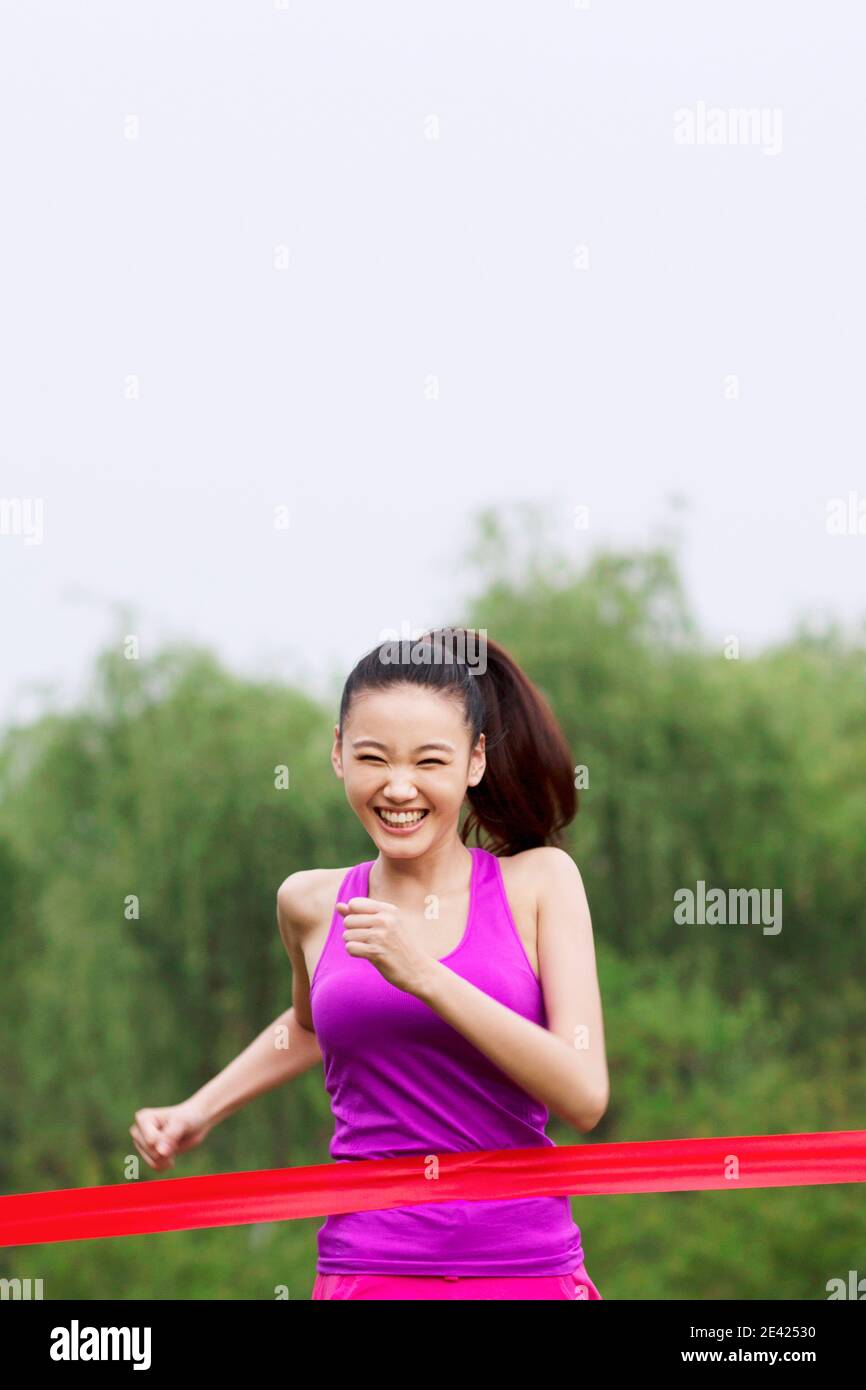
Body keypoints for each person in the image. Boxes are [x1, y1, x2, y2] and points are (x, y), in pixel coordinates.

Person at [131, 628, 609, 1300]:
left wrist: (426, 975)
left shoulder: (540, 884)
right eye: (373, 758)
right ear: (337, 754)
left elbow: (584, 1095)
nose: (399, 787)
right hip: (372, 1267)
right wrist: (199, 1110)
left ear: (474, 762)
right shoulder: (310, 903)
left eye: (429, 762)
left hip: (521, 1266)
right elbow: (305, 1027)